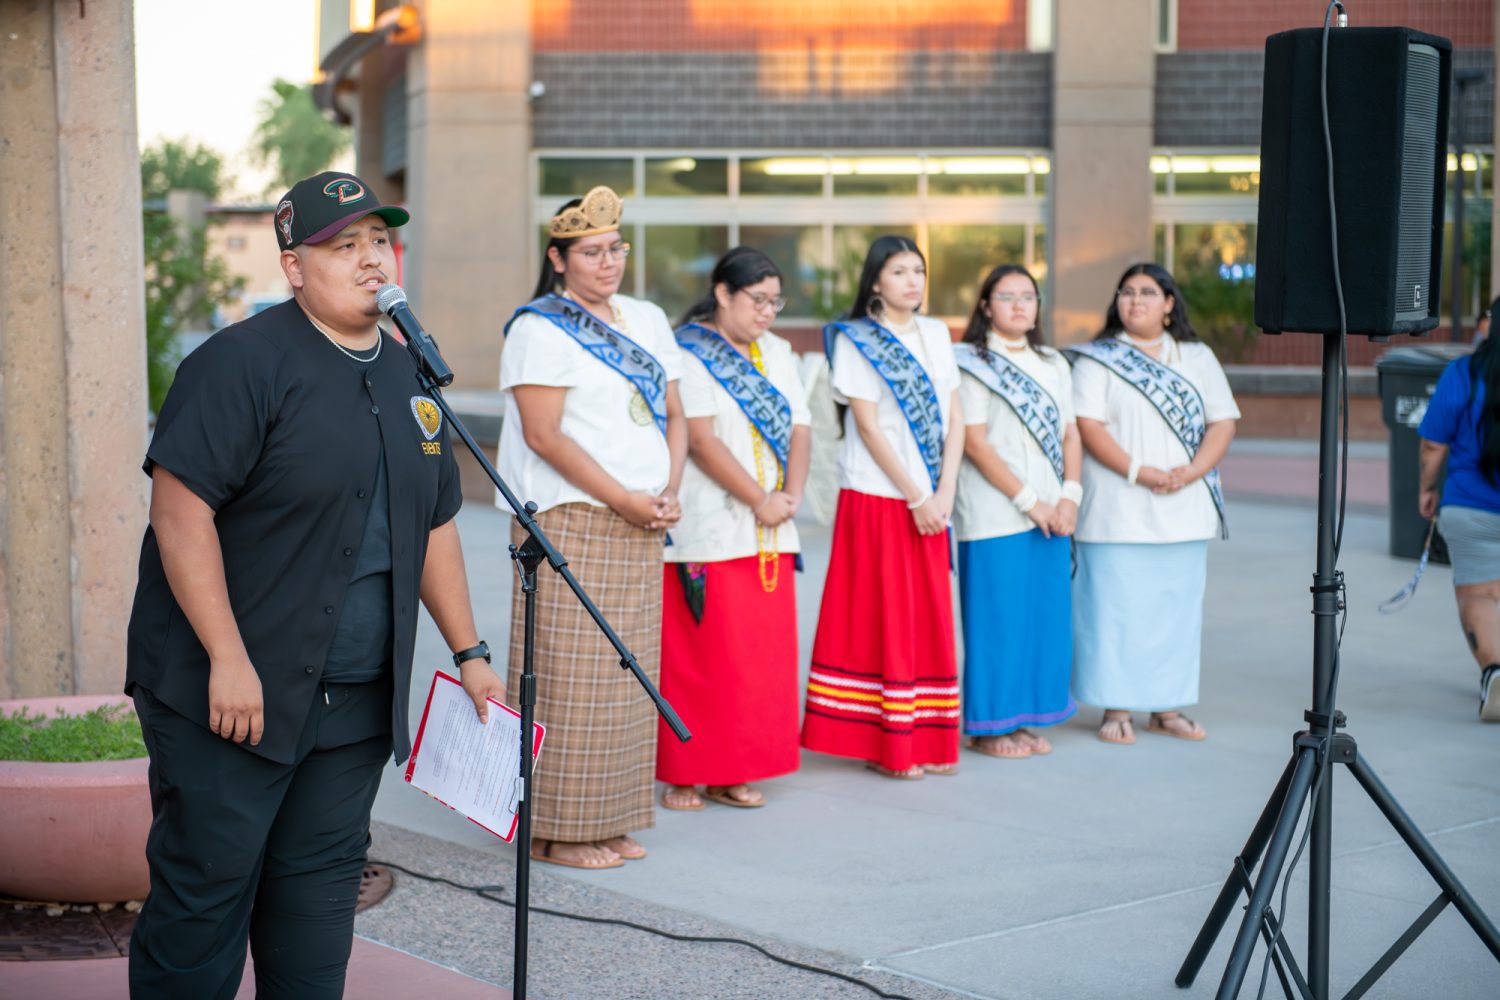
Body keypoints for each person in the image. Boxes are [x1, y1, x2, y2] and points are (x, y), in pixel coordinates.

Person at [124, 171, 505, 999]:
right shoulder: (239, 364)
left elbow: (435, 523)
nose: (372, 261)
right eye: (345, 246)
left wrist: (470, 649)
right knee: (204, 905)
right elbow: (179, 515)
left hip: (352, 703)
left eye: (380, 241)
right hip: (230, 695)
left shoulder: (412, 376)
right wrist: (227, 656)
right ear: (295, 267)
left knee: (317, 910)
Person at [500, 186, 687, 868]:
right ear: (557, 258)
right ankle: (555, 830)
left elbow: (675, 407)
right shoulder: (539, 328)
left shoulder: (644, 316)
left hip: (641, 517)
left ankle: (608, 818)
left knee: (624, 676)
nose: (607, 263)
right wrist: (628, 499)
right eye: (591, 251)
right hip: (570, 520)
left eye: (616, 249)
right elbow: (544, 437)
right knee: (569, 678)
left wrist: (668, 490)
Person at [802, 235, 964, 779]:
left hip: (933, 498)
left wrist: (942, 493)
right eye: (899, 272)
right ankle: (886, 742)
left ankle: (930, 737)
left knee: (929, 615)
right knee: (885, 615)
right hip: (878, 493)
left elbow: (956, 416)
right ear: (875, 282)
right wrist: (917, 495)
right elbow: (867, 426)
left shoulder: (938, 333)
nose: (913, 281)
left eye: (919, 270)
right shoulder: (857, 340)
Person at [656, 247, 812, 811]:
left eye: (776, 301)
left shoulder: (778, 351)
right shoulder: (690, 352)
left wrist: (788, 496)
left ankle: (736, 768)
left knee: (755, 660)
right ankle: (687, 771)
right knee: (702, 657)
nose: (767, 312)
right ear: (723, 293)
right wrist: (759, 498)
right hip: (710, 528)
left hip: (770, 531)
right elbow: (700, 439)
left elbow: (799, 428)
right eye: (757, 300)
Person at [1068, 263, 1238, 745]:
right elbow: (1089, 425)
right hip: (1116, 508)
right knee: (1113, 610)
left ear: (1168, 304)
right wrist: (1138, 471)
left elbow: (1221, 421)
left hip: (1185, 505)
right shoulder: (1098, 359)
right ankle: (1116, 705)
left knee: (1177, 611)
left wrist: (1193, 470)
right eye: (1126, 292)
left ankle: (1167, 706)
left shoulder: (1196, 356)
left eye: (1147, 292)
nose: (1135, 300)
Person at [952, 265, 1081, 759]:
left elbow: (1071, 432)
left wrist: (1069, 497)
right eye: (1007, 296)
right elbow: (977, 444)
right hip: (996, 513)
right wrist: (1034, 503)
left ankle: (1023, 717)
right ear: (986, 305)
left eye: (1028, 296)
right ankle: (989, 726)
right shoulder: (971, 362)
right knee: (998, 621)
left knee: (1041, 620)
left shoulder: (1052, 362)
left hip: (1054, 514)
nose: (1019, 305)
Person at [1418, 294, 1500, 721]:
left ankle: (1495, 672)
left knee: (1480, 595)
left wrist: (1427, 488)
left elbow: (1434, 442)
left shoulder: (1463, 373)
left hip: (1471, 505)